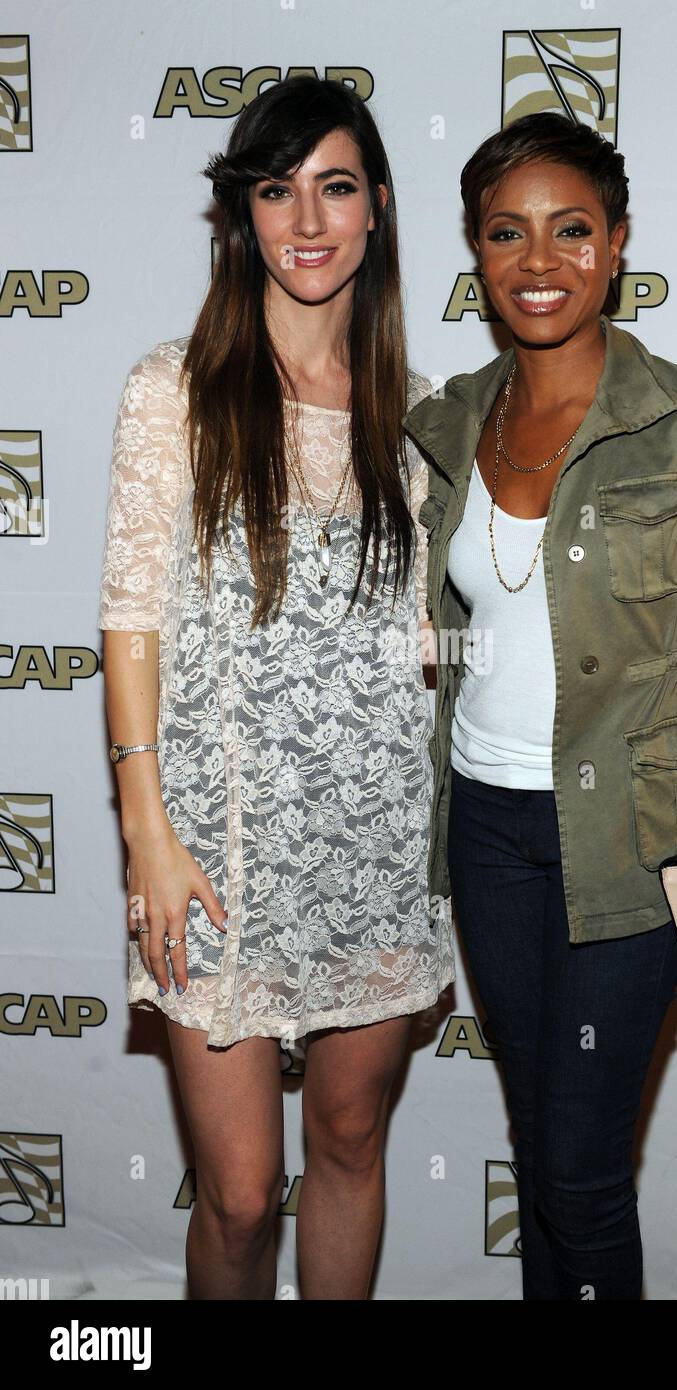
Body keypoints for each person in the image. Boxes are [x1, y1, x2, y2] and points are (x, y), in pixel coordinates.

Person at [402, 111, 677, 1301]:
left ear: (617, 241)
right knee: (543, 1151)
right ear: (476, 256)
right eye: (505, 234)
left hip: (634, 844)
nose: (539, 262)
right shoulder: (444, 424)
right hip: (486, 831)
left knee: (578, 1172)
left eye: (570, 230)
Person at [98, 74, 453, 1301]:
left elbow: (431, 642)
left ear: (378, 210)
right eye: (275, 188)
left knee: (350, 1144)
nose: (307, 218)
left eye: (335, 186)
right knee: (242, 1200)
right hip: (216, 854)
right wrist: (146, 829)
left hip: (375, 848)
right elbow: (130, 617)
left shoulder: (415, 418)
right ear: (242, 215)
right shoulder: (174, 391)